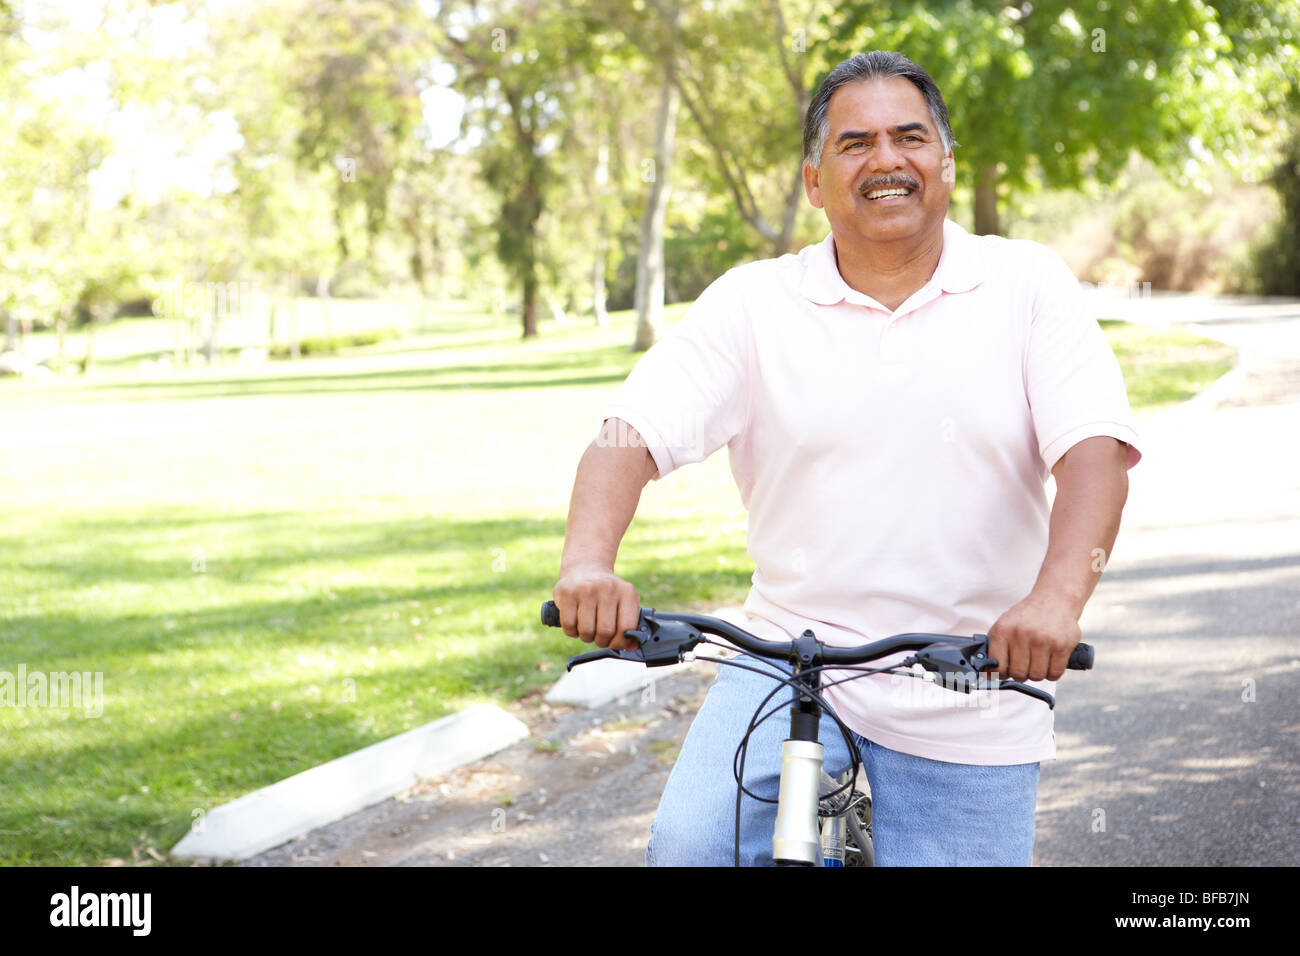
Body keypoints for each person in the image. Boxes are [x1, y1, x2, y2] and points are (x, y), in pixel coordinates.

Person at [550, 50, 1141, 866]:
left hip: (971, 678)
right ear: (813, 180)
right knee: (688, 848)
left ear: (945, 161)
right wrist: (588, 563)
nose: (887, 159)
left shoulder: (1026, 285)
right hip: (790, 666)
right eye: (855, 143)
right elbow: (629, 435)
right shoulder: (753, 304)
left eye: (909, 137)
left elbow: (1095, 454)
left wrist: (1054, 603)